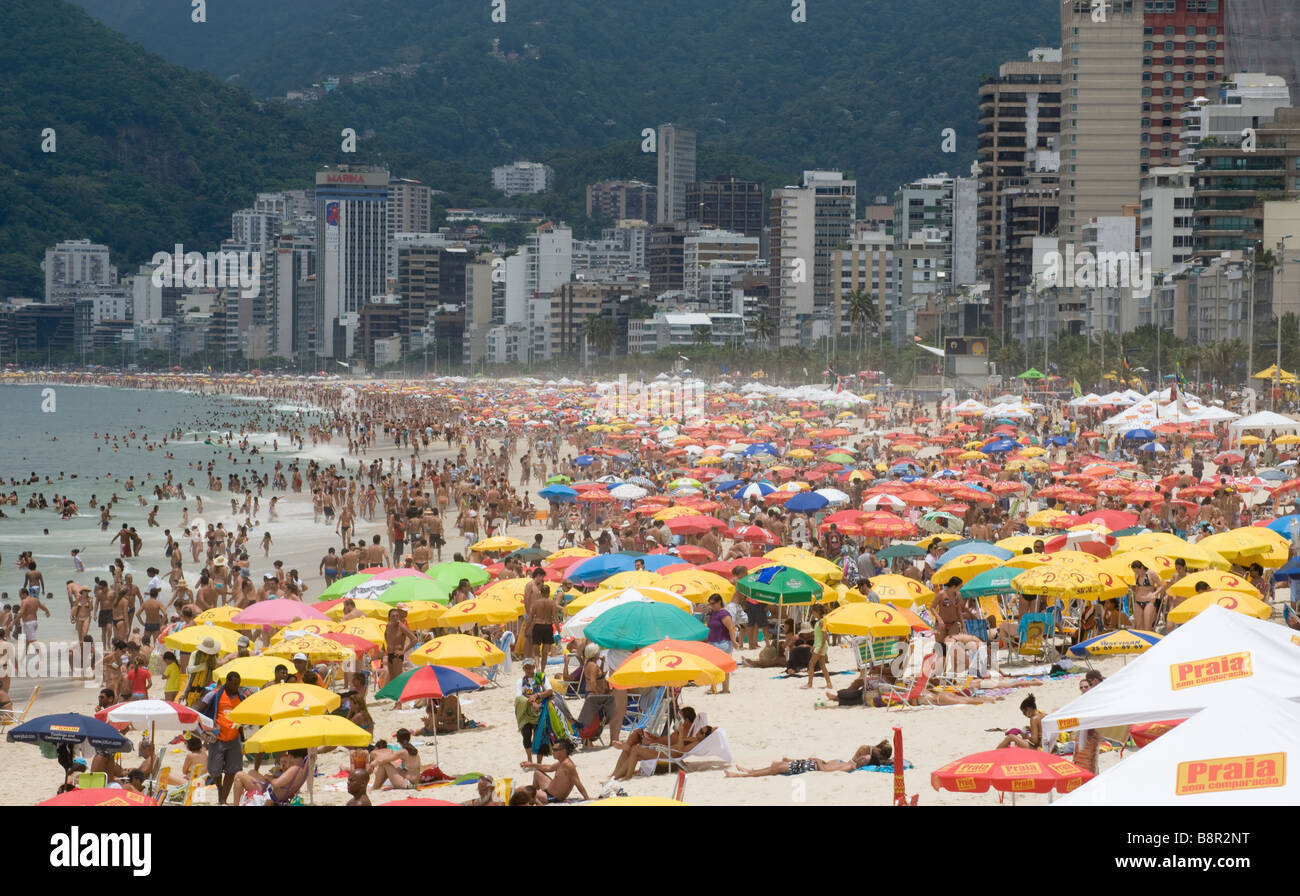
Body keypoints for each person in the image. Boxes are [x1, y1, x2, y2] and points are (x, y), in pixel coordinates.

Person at [195, 672, 251, 805]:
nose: (236, 687)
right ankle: (220, 791)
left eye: (238, 684)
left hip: (234, 739)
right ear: (227, 682)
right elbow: (198, 710)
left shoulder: (241, 697)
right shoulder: (214, 695)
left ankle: (223, 799)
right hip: (217, 738)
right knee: (215, 770)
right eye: (234, 684)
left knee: (233, 770)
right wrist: (203, 729)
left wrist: (244, 737)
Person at [724, 741, 893, 777]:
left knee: (776, 769)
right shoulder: (849, 763)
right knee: (777, 765)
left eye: (865, 758)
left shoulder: (849, 767)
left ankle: (742, 775)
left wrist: (819, 761)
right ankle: (750, 771)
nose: (862, 756)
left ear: (864, 762)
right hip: (810, 764)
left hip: (811, 768)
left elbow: (825, 770)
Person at [231, 748, 315, 805]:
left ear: (290, 756)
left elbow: (276, 784)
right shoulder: (303, 769)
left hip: (269, 795)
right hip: (277, 794)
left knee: (239, 776)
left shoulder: (294, 769)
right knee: (252, 772)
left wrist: (269, 777)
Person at [520, 740, 589, 803]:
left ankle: (533, 797)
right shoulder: (562, 762)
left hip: (552, 797)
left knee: (522, 790)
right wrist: (531, 764)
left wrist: (587, 799)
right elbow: (548, 768)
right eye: (552, 749)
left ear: (563, 751)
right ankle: (533, 797)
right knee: (537, 773)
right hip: (548, 791)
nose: (552, 752)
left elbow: (577, 782)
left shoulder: (568, 765)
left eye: (555, 750)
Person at [704, 594, 734, 695]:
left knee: (723, 667)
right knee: (713, 666)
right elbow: (711, 629)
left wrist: (734, 641)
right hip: (713, 643)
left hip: (723, 643)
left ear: (719, 602)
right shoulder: (713, 613)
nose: (711, 606)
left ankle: (724, 689)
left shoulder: (724, 613)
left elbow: (731, 628)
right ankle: (713, 688)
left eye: (713, 603)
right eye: (710, 603)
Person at [802, 604, 832, 690]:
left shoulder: (821, 622)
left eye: (813, 612)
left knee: (811, 664)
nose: (812, 614)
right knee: (822, 665)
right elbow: (818, 636)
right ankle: (829, 684)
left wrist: (821, 647)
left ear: (817, 612)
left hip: (821, 645)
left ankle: (809, 684)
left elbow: (825, 636)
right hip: (819, 645)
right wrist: (813, 646)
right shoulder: (819, 622)